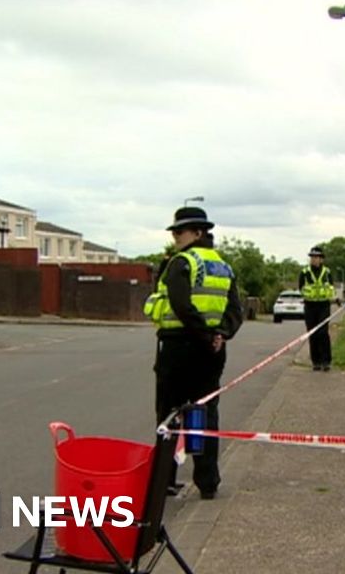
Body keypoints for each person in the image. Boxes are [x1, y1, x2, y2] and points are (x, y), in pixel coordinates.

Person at [149, 206, 242, 500]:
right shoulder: (224, 267)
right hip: (211, 351)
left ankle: (164, 481)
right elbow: (235, 311)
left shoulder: (182, 263)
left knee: (169, 415)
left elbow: (180, 305)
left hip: (178, 347)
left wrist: (203, 335)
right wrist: (219, 335)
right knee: (202, 414)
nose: (175, 237)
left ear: (198, 233)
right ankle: (207, 482)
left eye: (179, 231)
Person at [298, 246, 335, 371]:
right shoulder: (304, 272)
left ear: (321, 259)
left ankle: (326, 361)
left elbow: (331, 286)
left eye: (316, 257)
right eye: (312, 257)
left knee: (323, 333)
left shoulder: (327, 272)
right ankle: (316, 361)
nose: (314, 260)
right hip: (310, 306)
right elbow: (301, 287)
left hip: (324, 305)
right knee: (312, 334)